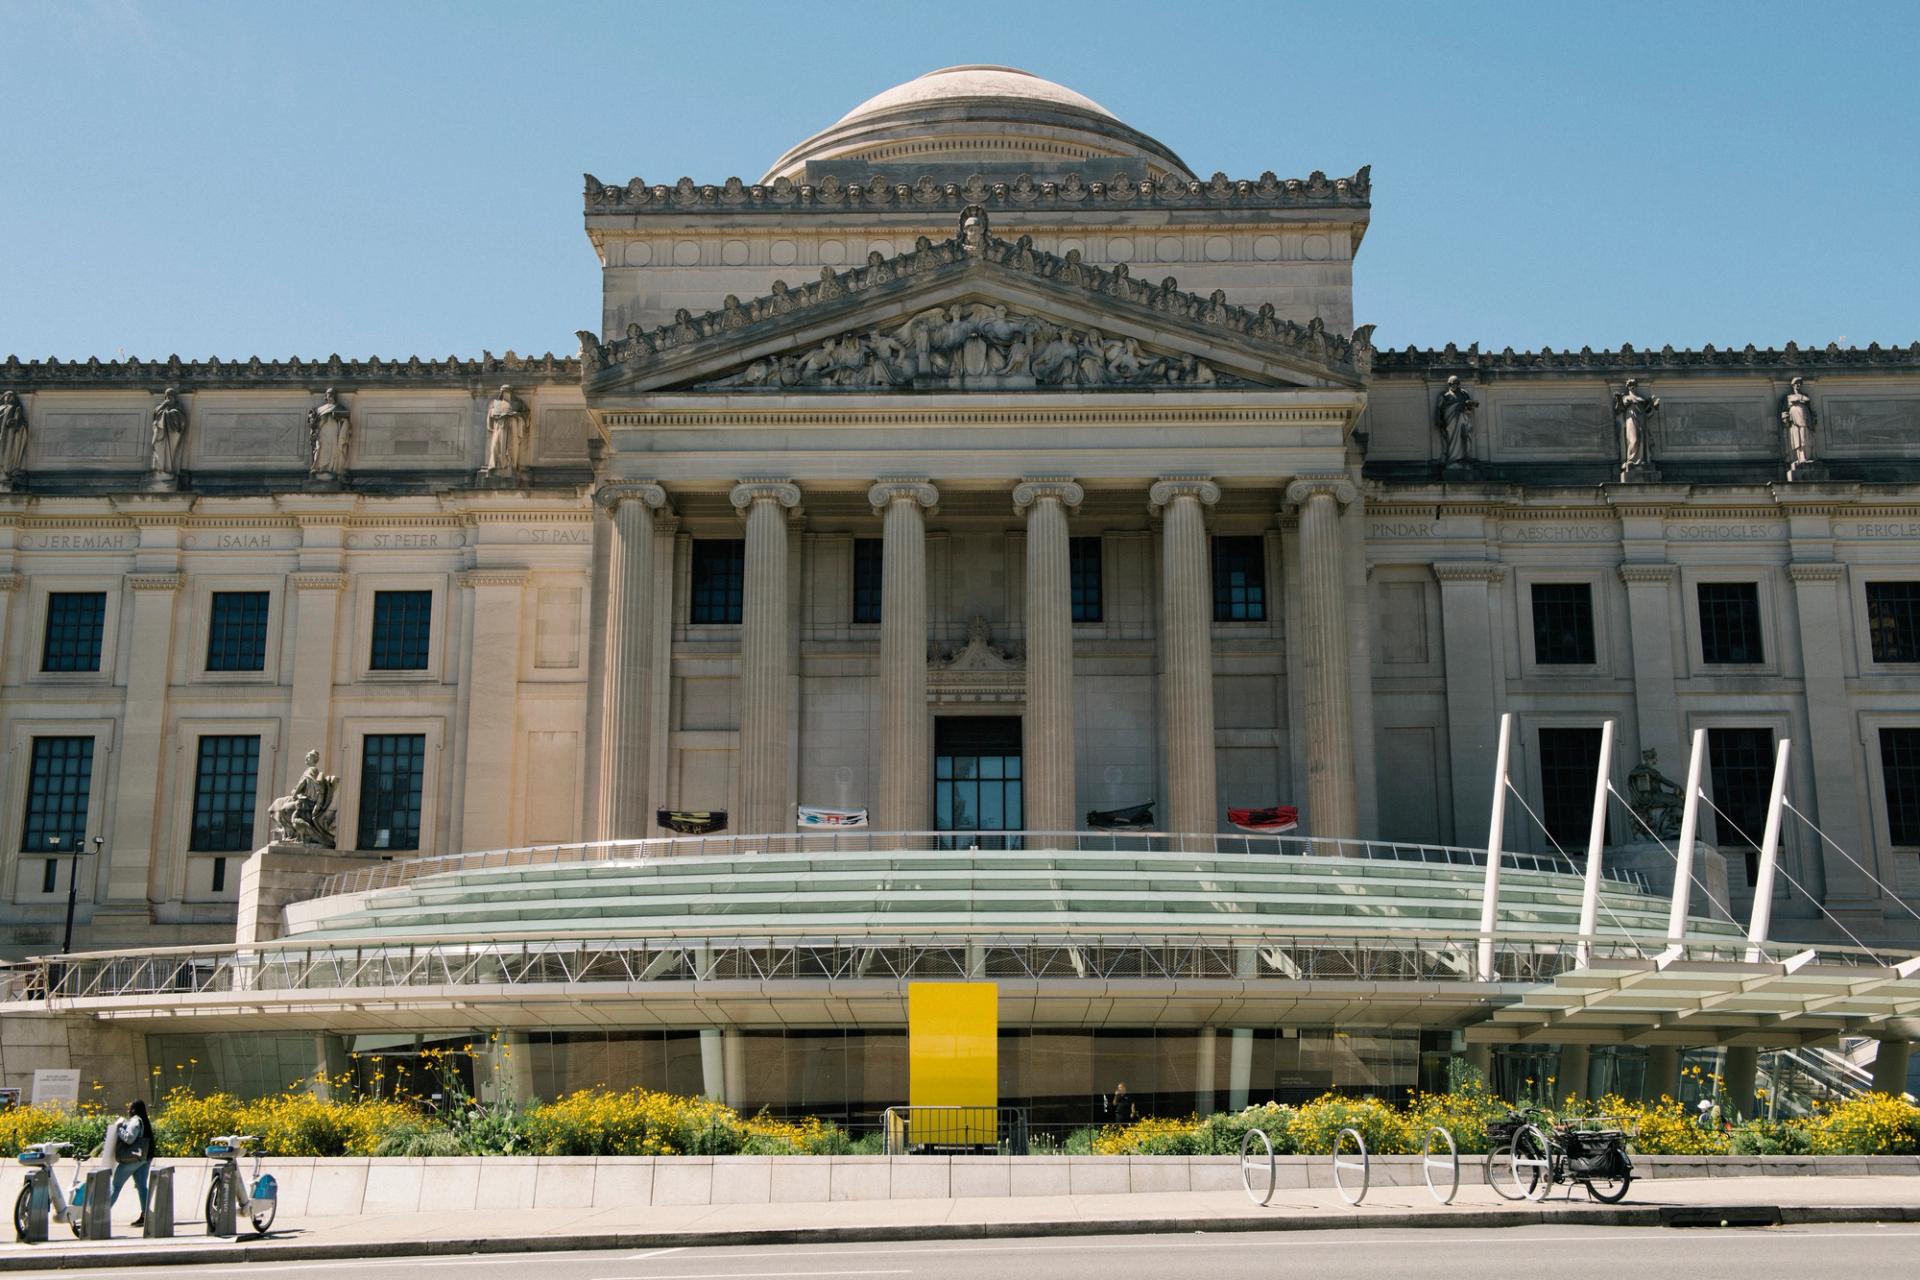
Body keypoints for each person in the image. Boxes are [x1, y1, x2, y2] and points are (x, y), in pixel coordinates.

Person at [108, 1099, 153, 1228]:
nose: (128, 1110)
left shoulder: (135, 1121)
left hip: (131, 1159)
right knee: (141, 1186)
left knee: (115, 1186)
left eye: (130, 1108)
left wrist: (119, 1128)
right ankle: (146, 1216)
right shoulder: (144, 1121)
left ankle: (99, 1214)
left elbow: (129, 1138)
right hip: (143, 1158)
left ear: (133, 1110)